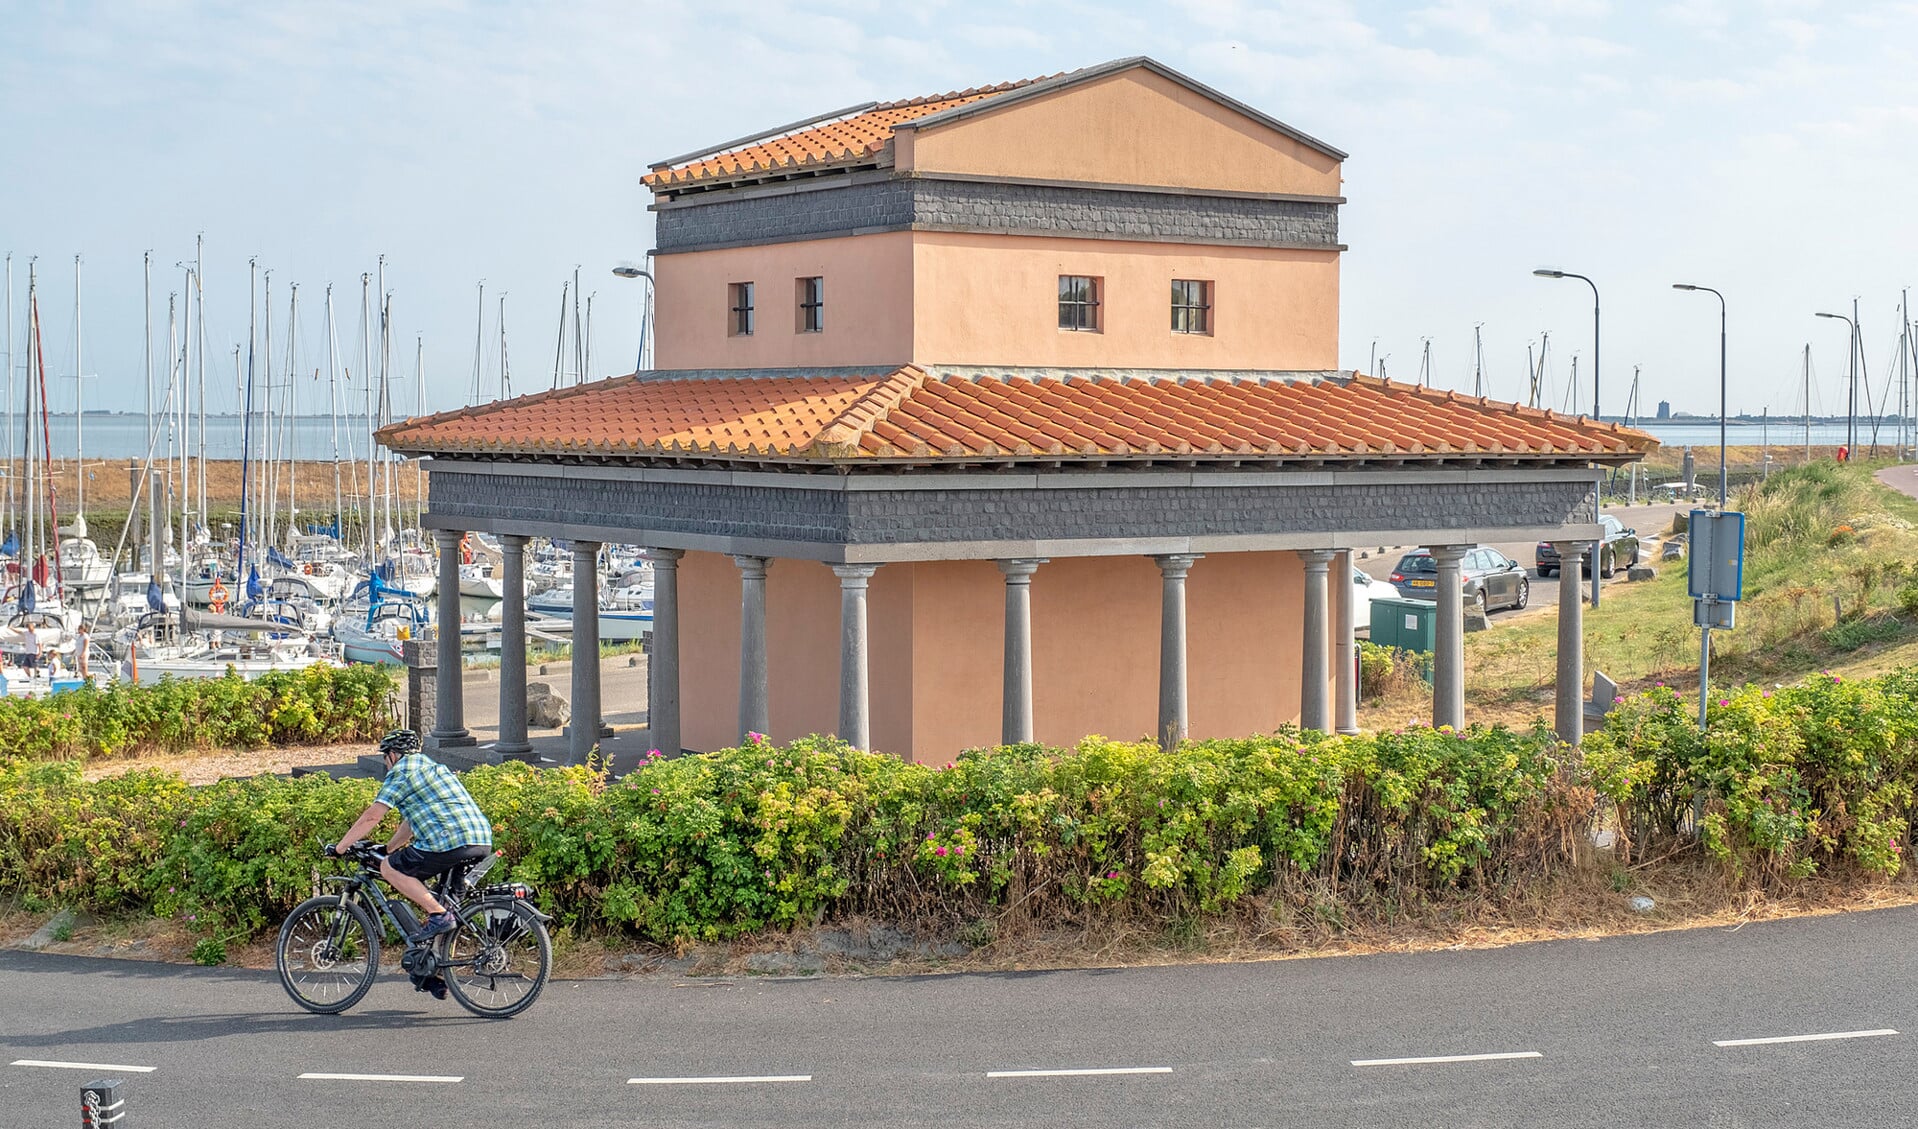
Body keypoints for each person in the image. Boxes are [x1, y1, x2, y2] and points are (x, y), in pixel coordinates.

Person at [331, 729, 492, 945]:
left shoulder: (402, 771)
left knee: (389, 868)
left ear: (393, 755)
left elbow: (372, 816)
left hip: (449, 841)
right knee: (443, 901)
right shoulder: (432, 767)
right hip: (479, 839)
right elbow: (410, 825)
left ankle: (439, 915)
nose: (386, 762)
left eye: (384, 756)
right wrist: (388, 848)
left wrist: (340, 847)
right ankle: (434, 970)